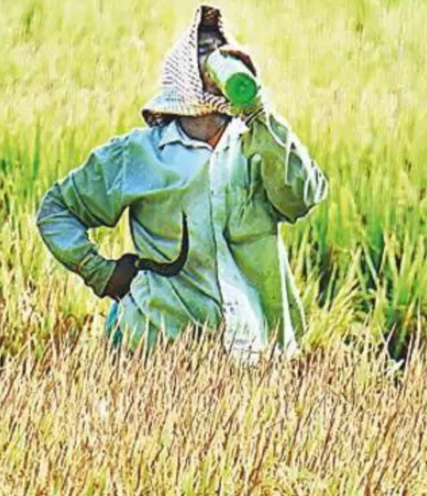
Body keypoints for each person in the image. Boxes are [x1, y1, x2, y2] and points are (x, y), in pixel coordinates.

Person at [36, 4, 328, 357]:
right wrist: (99, 271)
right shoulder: (140, 153)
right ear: (184, 70)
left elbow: (303, 197)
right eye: (205, 50)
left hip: (252, 353)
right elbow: (57, 210)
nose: (216, 58)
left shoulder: (258, 147)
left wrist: (260, 113)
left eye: (222, 49)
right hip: (158, 348)